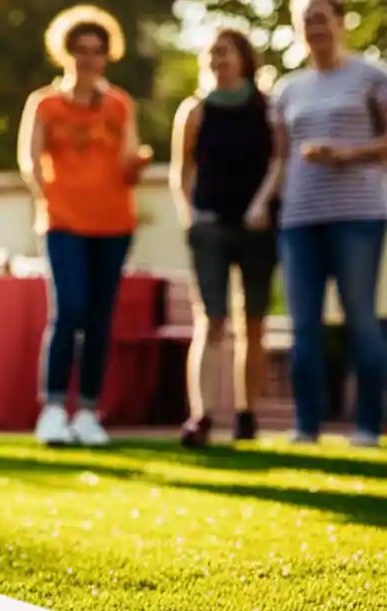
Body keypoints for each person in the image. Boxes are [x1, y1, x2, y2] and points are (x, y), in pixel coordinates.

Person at [17, 4, 150, 447]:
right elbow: (29, 160)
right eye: (80, 50)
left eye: (96, 51)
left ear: (106, 56)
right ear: (65, 52)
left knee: (99, 317)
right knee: (68, 309)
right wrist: (47, 196)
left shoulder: (119, 104)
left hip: (113, 223)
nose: (88, 59)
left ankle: (88, 412)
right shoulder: (45, 103)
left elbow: (128, 160)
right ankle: (53, 408)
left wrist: (138, 163)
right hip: (63, 222)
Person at [269, 0, 387, 446]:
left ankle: (368, 426)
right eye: (306, 20)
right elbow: (279, 156)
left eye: (322, 18)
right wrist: (265, 203)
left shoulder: (372, 77)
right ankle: (306, 425)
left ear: (340, 24)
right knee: (303, 325)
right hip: (300, 217)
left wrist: (346, 154)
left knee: (360, 320)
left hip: (358, 214)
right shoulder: (287, 88)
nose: (315, 27)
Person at [169, 29, 284, 448]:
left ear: (243, 58)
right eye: (212, 53)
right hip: (210, 226)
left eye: (226, 52)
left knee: (253, 323)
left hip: (257, 227)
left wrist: (261, 204)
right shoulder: (195, 110)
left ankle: (246, 413)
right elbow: (180, 171)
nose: (219, 59)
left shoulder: (266, 107)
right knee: (211, 320)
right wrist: (190, 216)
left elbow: (279, 159)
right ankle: (201, 416)